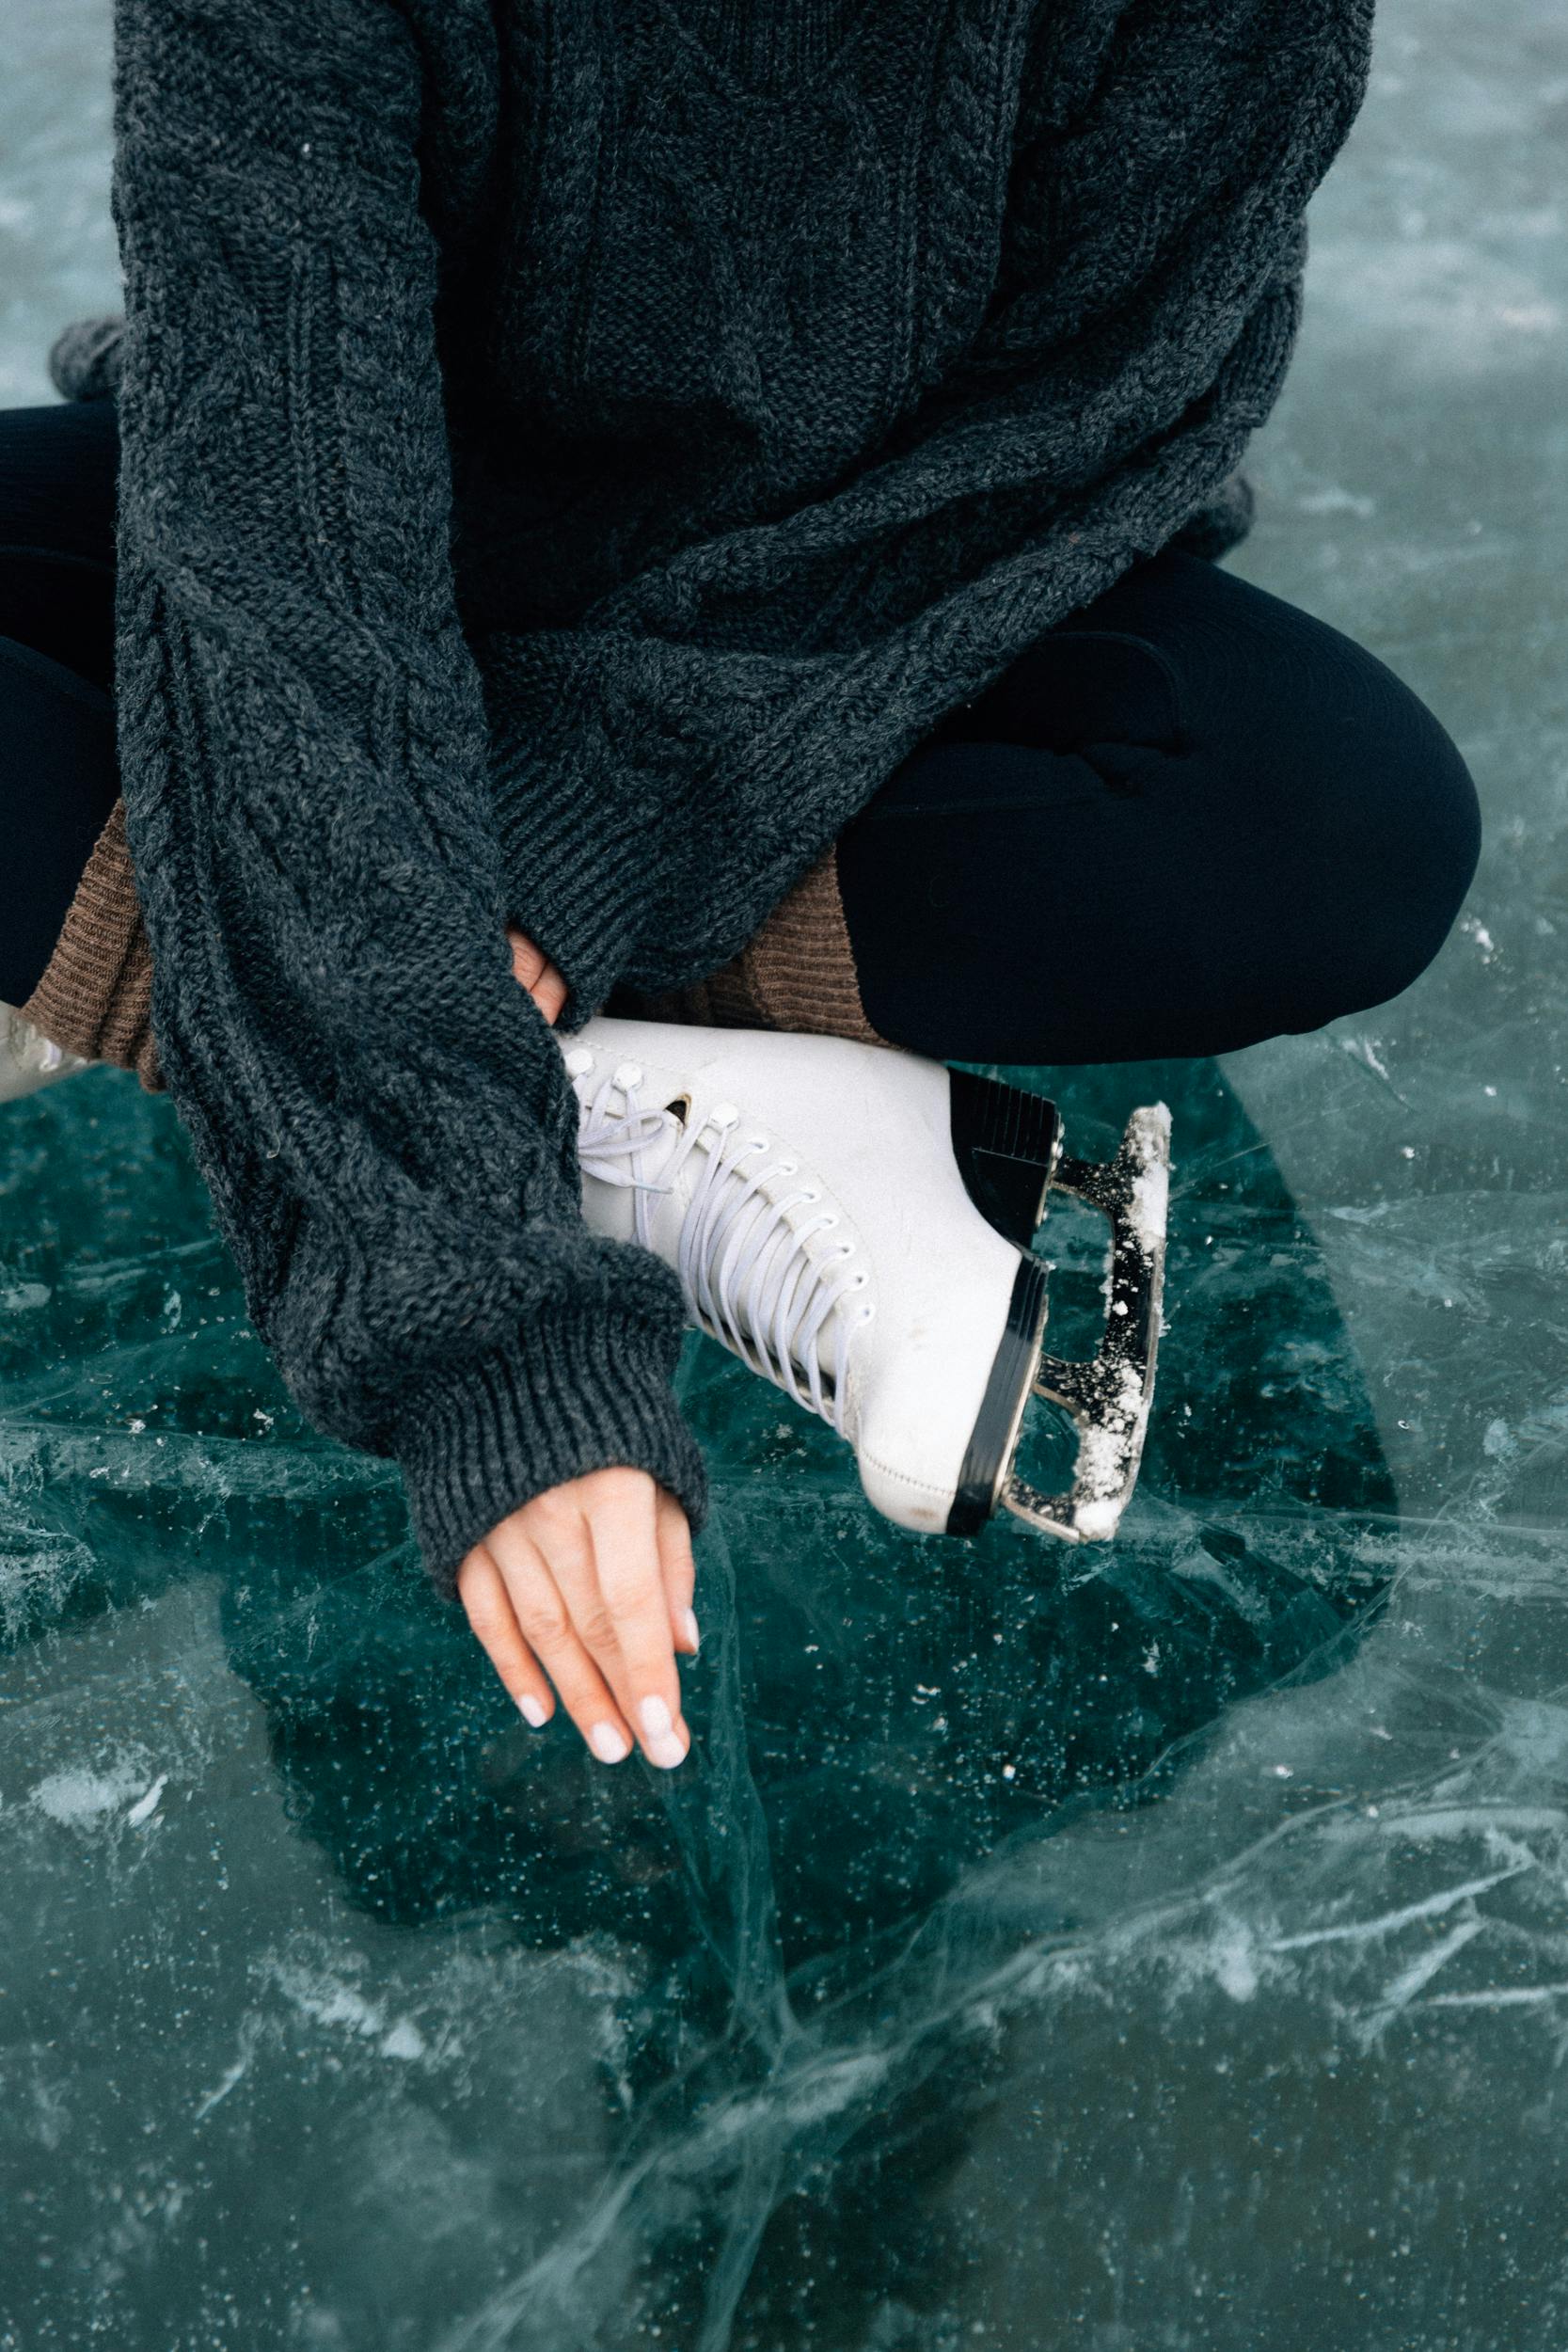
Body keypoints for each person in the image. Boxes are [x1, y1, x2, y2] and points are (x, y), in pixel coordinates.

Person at [0, 0, 1479, 1777]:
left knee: (1327, 823)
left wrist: (592, 824)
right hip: (376, 514)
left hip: (882, 599)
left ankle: (347, 1003)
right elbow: (285, 518)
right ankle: (590, 1104)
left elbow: (1095, 412)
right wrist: (482, 1319)